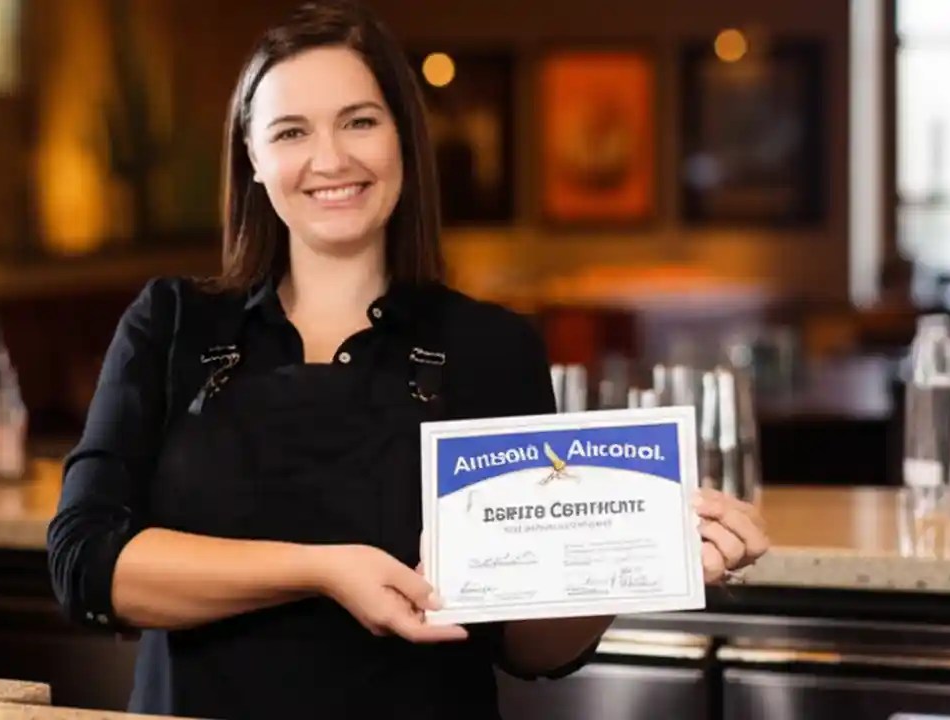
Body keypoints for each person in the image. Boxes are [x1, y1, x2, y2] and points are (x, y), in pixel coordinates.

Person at [46, 2, 769, 718]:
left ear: (403, 139)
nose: (331, 160)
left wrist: (634, 560)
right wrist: (323, 570)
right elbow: (87, 564)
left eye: (359, 121)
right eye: (292, 131)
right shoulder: (171, 323)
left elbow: (525, 644)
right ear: (254, 160)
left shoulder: (491, 345)